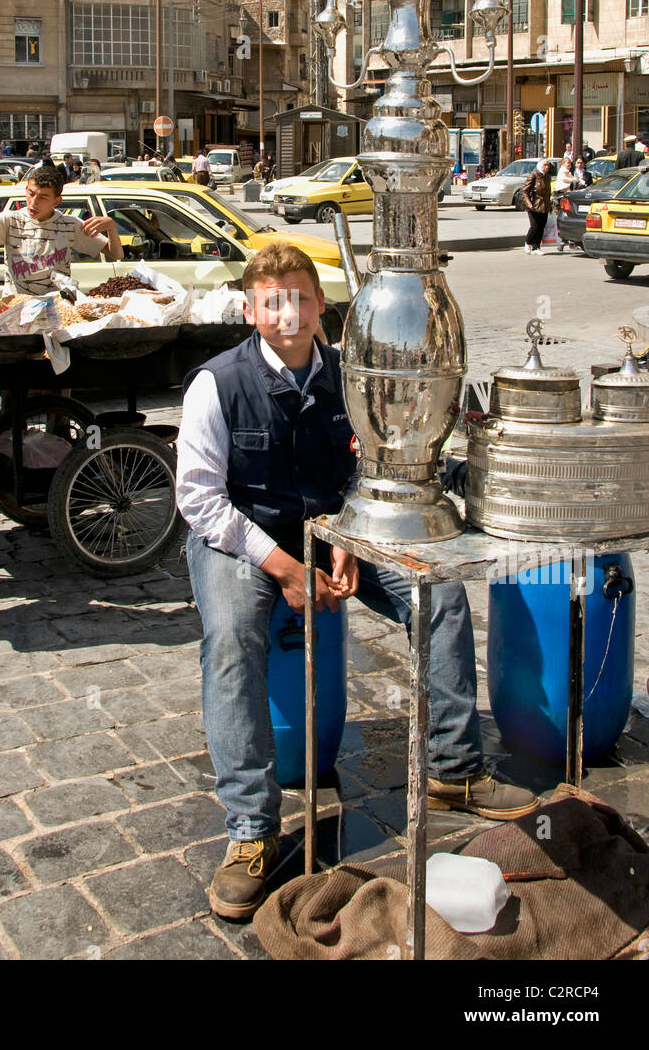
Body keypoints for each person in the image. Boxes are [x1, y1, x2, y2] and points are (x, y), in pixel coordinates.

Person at [176, 243, 537, 921]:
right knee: (230, 638)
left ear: (322, 308)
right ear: (251, 310)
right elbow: (200, 503)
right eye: (272, 299)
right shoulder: (216, 384)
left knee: (440, 594)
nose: (289, 311)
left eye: (302, 297)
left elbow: (367, 468)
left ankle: (452, 768)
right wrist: (283, 566)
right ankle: (252, 829)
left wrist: (352, 536)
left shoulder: (349, 376)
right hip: (243, 541)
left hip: (337, 530)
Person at [0, 164, 122, 297]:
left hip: (56, 311)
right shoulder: (10, 220)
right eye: (31, 194)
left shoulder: (70, 225)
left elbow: (116, 254)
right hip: (17, 312)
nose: (33, 202)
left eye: (42, 198)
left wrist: (111, 227)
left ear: (56, 201)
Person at [521, 158, 552, 255]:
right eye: (544, 165)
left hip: (544, 205)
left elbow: (548, 192)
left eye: (547, 165)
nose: (546, 167)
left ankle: (536, 246)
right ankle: (528, 242)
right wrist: (529, 204)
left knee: (541, 226)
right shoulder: (533, 175)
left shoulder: (547, 177)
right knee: (534, 226)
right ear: (539, 165)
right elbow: (525, 191)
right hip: (534, 204)